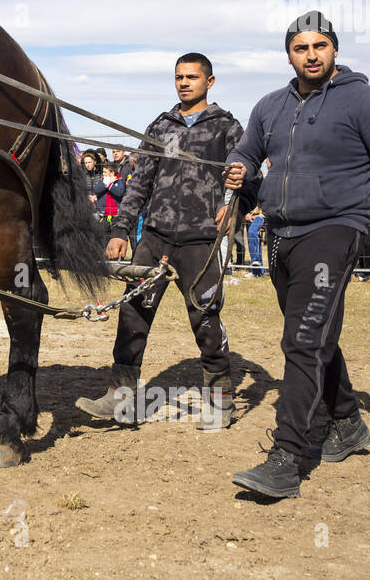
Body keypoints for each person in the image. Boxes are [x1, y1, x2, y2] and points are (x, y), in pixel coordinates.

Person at [223, 10, 370, 499]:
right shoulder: (270, 105)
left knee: (302, 341)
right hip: (280, 234)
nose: (310, 54)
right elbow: (248, 153)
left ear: (333, 48)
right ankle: (347, 420)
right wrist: (237, 167)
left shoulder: (366, 102)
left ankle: (287, 457)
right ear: (289, 53)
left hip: (336, 230)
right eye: (300, 47)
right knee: (314, 337)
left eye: (319, 45)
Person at [76, 53, 256, 430]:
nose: (184, 83)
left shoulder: (228, 128)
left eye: (192, 77)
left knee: (205, 317)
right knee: (133, 314)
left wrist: (236, 212)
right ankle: (121, 398)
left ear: (210, 81)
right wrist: (122, 230)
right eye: (179, 77)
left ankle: (221, 398)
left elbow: (248, 181)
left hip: (200, 241)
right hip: (154, 237)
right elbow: (139, 182)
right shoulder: (160, 125)